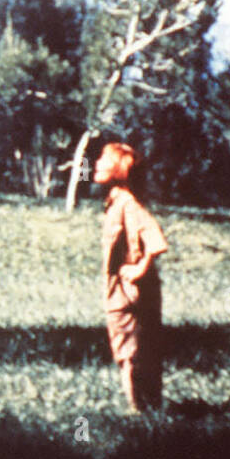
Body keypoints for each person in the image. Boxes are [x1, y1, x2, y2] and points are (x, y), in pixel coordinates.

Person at [94, 141, 168, 413]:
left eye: (103, 159)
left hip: (128, 294)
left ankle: (138, 412)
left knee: (130, 354)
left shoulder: (128, 204)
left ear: (118, 169)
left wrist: (139, 269)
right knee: (136, 351)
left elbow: (156, 240)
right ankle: (148, 409)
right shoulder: (115, 203)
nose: (97, 164)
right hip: (121, 291)